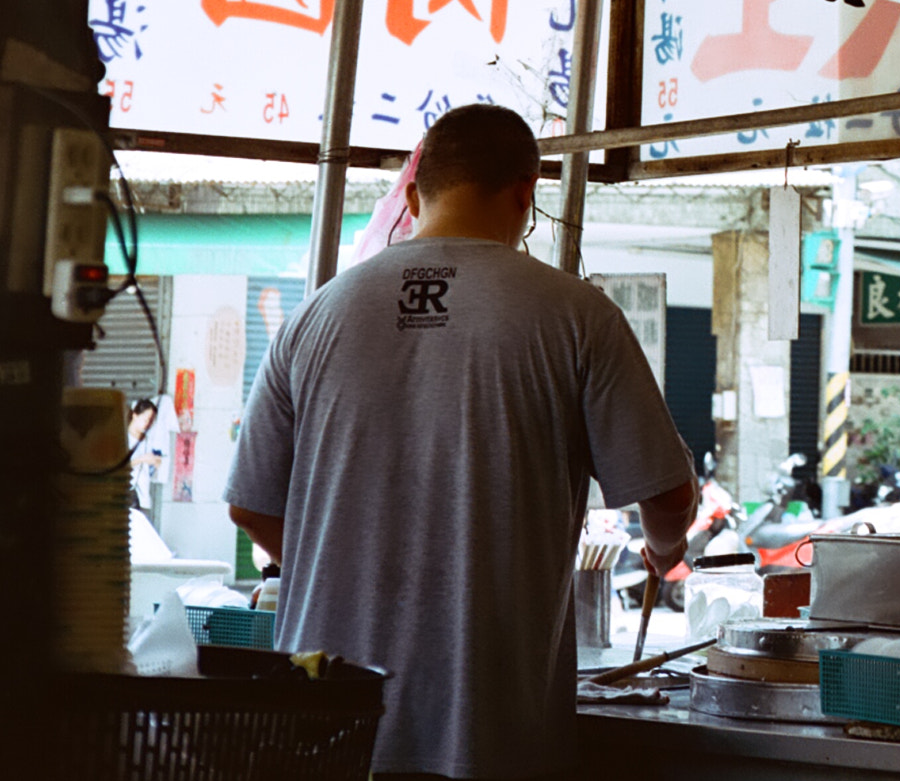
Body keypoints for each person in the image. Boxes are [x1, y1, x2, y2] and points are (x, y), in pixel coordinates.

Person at [224, 105, 698, 781]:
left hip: (325, 724)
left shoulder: (313, 316)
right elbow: (668, 492)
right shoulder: (576, 314)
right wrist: (665, 547)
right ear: (526, 192)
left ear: (414, 196)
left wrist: (341, 574)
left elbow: (251, 507)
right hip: (488, 730)